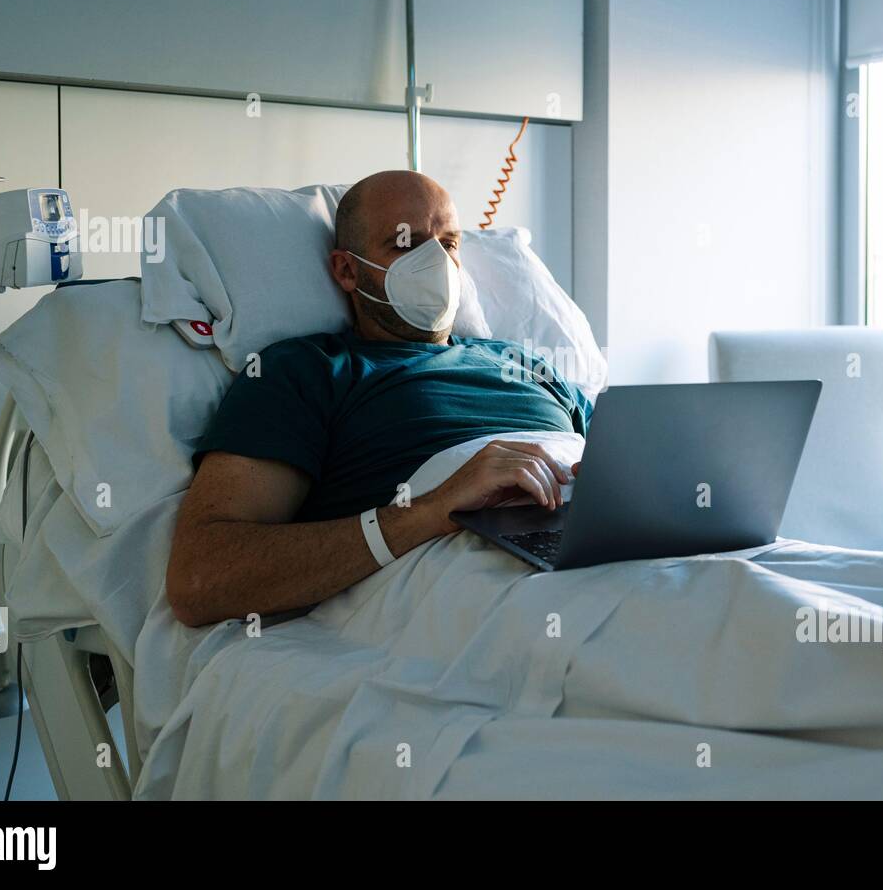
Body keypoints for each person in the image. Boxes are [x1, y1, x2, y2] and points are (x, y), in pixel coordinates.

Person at [165, 170, 592, 627]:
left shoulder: (523, 362)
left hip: (589, 550)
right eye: (406, 244)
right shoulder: (305, 371)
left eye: (447, 243)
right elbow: (200, 580)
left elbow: (617, 468)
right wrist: (431, 509)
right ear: (347, 270)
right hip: (473, 587)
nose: (437, 262)